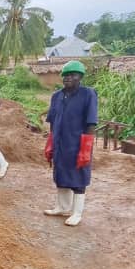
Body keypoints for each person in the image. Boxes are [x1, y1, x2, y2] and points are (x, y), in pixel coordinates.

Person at [42, 60, 98, 226]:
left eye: (72, 75)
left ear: (80, 77)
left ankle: (77, 213)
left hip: (78, 143)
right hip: (60, 142)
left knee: (78, 177)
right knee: (60, 174)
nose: (68, 78)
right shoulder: (57, 96)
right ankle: (62, 207)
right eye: (65, 75)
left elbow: (91, 123)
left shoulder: (88, 94)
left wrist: (86, 147)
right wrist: (51, 141)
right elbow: (52, 121)